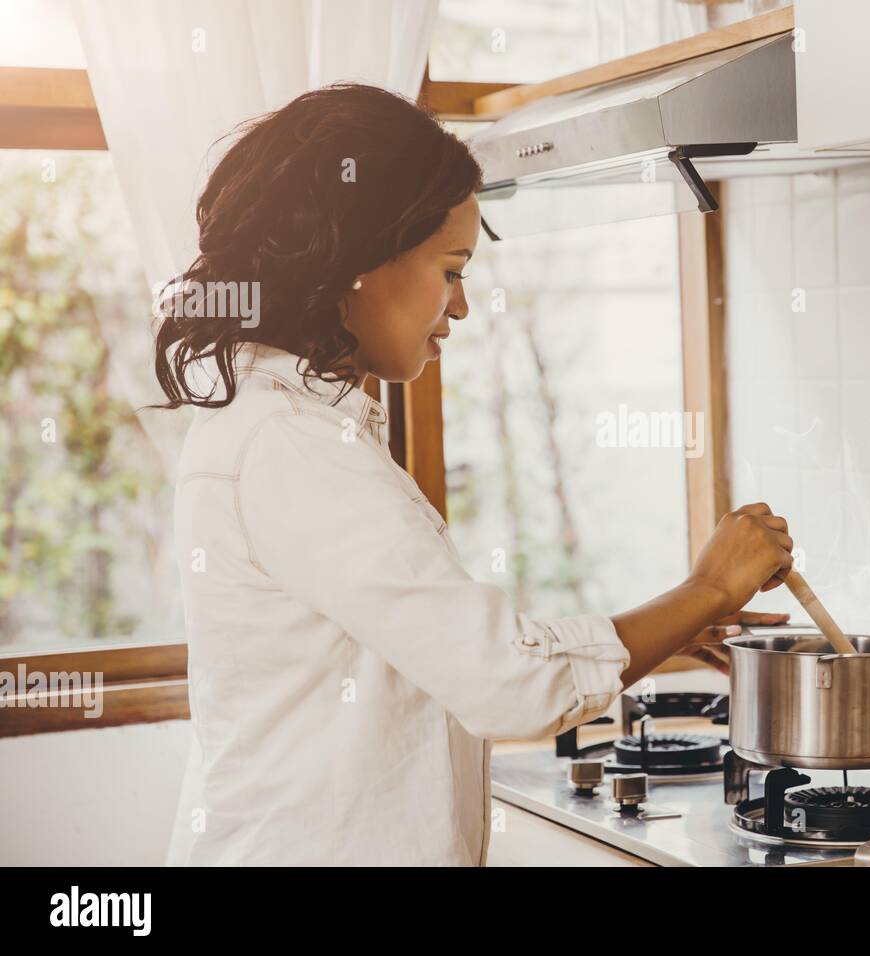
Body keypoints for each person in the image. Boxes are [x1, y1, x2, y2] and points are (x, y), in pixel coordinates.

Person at [155, 84, 793, 865]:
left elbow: (441, 642)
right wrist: (708, 589)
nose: (460, 306)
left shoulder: (282, 423)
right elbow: (510, 685)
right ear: (361, 261)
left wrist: (681, 621)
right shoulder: (294, 447)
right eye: (451, 269)